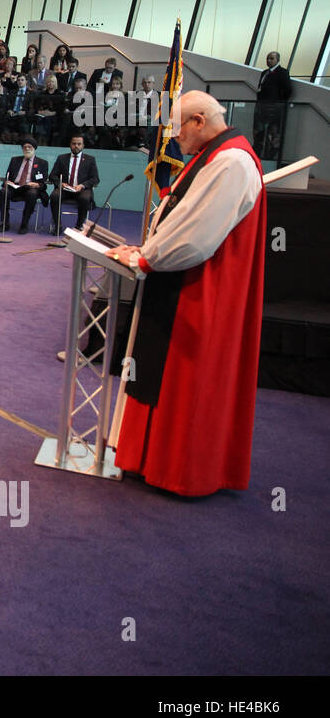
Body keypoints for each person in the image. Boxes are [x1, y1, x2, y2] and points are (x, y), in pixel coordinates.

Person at [106, 91, 267, 497]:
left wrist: (148, 258)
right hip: (184, 282)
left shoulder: (230, 161)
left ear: (199, 120)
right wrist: (147, 251)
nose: (175, 142)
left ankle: (177, 469)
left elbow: (196, 234)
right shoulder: (216, 156)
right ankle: (147, 457)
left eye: (178, 131)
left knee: (184, 379)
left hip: (200, 290)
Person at [47, 133, 99, 234]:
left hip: (81, 189)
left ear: (83, 145)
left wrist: (82, 185)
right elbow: (53, 175)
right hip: (65, 189)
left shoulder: (90, 159)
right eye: (74, 143)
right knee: (54, 196)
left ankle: (79, 226)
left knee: (85, 198)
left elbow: (95, 178)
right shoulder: (62, 158)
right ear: (70, 145)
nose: (76, 146)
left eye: (79, 144)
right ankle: (57, 225)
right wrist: (60, 184)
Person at [0, 137, 49, 234]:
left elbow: (43, 184)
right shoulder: (15, 160)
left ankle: (24, 224)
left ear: (34, 148)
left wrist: (37, 185)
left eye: (29, 147)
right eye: (25, 147)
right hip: (15, 187)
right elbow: (8, 177)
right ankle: (5, 222)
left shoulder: (42, 163)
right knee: (3, 192)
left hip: (30, 188)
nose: (27, 149)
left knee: (32, 194)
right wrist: (7, 182)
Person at [254, 50, 293, 160]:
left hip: (274, 107)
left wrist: (279, 101)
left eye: (271, 58)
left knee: (274, 132)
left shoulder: (282, 72)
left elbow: (288, 89)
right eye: (267, 58)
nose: (269, 60)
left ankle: (271, 156)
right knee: (259, 132)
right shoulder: (264, 73)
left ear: (277, 60)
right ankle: (257, 154)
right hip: (262, 106)